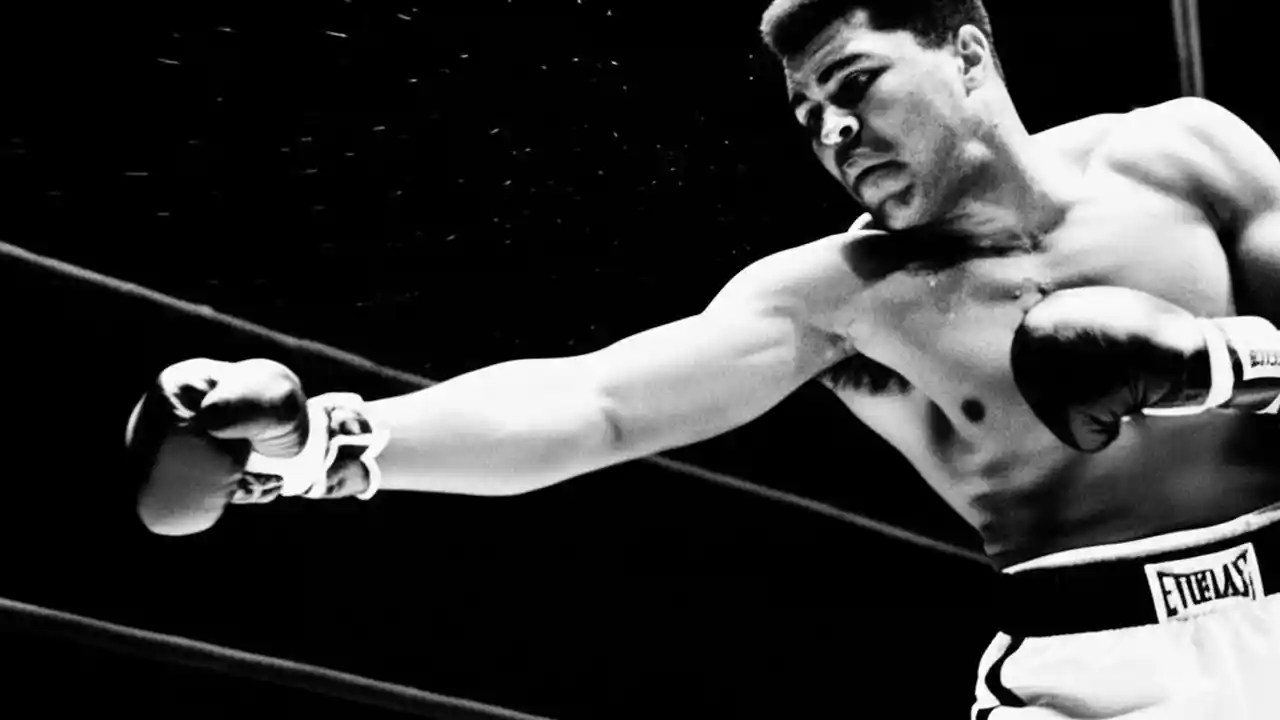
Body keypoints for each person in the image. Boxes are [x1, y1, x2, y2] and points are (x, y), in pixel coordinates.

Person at [125, 0, 1280, 715]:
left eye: (854, 82)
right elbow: (597, 405)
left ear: (965, 53)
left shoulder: (1181, 155)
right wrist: (335, 439)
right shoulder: (841, 298)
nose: (830, 130)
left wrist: (1218, 367)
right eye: (803, 111)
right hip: (1094, 680)